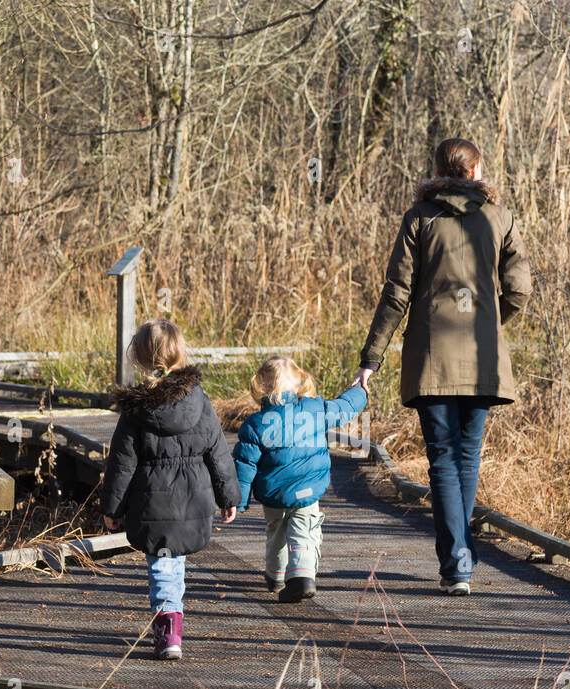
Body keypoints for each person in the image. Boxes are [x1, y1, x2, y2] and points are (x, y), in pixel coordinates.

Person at [354, 138, 532, 595]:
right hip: (482, 358)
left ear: (439, 172)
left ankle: (457, 563)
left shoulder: (420, 219)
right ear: (475, 172)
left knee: (444, 461)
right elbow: (520, 289)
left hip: (430, 357)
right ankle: (460, 561)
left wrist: (371, 358)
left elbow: (397, 292)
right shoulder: (500, 218)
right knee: (467, 457)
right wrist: (489, 323)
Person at [100, 320, 241, 659]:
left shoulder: (135, 410)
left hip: (153, 505)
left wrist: (111, 508)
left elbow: (122, 463)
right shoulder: (200, 401)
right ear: (181, 354)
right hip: (193, 502)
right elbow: (218, 451)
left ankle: (169, 632)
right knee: (173, 562)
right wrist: (228, 497)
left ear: (139, 359)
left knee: (163, 565)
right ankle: (173, 624)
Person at [232, 355, 367, 603]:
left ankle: (276, 575)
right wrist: (360, 390)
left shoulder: (256, 424)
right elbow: (343, 407)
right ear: (298, 384)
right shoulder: (316, 409)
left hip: (274, 493)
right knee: (304, 532)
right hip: (307, 488)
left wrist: (237, 500)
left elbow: (245, 464)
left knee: (276, 533)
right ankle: (302, 577)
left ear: (262, 385)